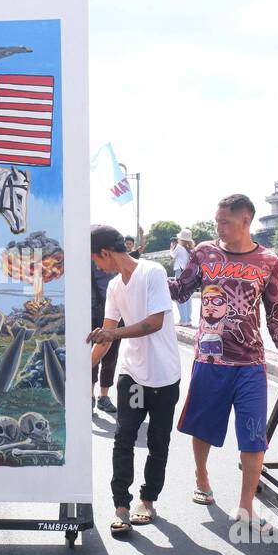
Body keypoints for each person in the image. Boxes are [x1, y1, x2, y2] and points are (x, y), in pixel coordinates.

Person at [170, 194, 278, 534]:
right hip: (210, 359)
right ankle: (202, 475)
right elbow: (179, 291)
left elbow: (277, 314)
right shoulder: (204, 253)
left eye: (225, 222)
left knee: (254, 435)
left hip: (250, 363)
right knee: (203, 427)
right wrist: (139, 273)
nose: (219, 227)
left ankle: (246, 506)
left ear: (246, 221)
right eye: (217, 221)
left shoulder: (268, 261)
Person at [88, 225, 181, 535]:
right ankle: (121, 507)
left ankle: (148, 500)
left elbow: (154, 323)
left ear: (104, 253)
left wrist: (113, 333)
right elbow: (105, 336)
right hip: (134, 378)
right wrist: (82, 374)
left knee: (157, 442)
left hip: (164, 377)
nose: (97, 267)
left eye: (95, 260)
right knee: (124, 436)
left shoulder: (152, 272)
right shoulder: (114, 286)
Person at [90, 257, 120, 414]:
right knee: (91, 354)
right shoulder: (81, 256)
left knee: (111, 356)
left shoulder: (111, 257)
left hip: (113, 312)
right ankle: (89, 396)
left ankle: (104, 396)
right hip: (89, 312)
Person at [171, 229, 194, 327]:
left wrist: (172, 248)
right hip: (187, 273)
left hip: (180, 271)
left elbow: (172, 256)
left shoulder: (179, 247)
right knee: (187, 297)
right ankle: (188, 319)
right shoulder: (190, 249)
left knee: (180, 295)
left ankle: (183, 320)